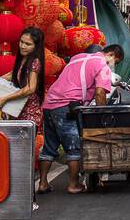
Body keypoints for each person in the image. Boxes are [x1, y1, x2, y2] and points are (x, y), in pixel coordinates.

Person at [38, 43, 123, 195]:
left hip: (49, 103)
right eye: (115, 61)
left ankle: (43, 183)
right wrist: (101, 116)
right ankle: (73, 184)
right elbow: (99, 93)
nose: (113, 65)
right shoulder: (102, 65)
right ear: (112, 54)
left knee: (49, 146)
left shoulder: (77, 57)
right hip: (67, 106)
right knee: (74, 146)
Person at [0, 28, 44, 135]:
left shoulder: (35, 61)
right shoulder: (23, 58)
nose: (23, 46)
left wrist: (5, 98)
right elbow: (12, 74)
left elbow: (30, 88)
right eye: (21, 42)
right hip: (18, 107)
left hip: (29, 111)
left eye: (28, 44)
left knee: (23, 147)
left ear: (36, 46)